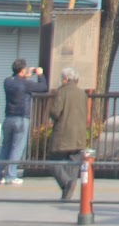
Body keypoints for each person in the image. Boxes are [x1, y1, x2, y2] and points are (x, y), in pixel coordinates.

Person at [0, 59, 46, 185]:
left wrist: (24, 75)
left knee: (5, 147)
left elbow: (17, 82)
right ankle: (11, 176)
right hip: (21, 118)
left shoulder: (7, 81)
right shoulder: (26, 84)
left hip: (8, 118)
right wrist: (40, 75)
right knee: (17, 148)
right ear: (22, 70)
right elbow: (43, 87)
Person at [46, 68, 88, 202]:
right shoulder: (82, 93)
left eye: (62, 78)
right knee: (73, 163)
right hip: (79, 133)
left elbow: (55, 112)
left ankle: (65, 182)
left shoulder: (61, 92)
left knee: (53, 160)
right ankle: (68, 191)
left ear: (66, 79)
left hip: (63, 132)